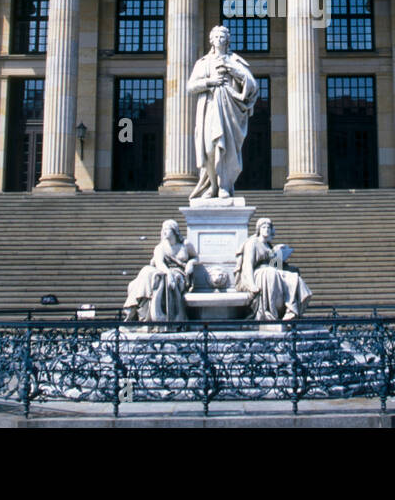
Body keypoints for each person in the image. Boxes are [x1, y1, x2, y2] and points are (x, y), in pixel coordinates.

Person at [187, 25, 258, 200]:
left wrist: (231, 68)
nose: (219, 39)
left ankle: (225, 185)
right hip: (209, 108)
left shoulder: (234, 61)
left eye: (222, 36)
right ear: (211, 40)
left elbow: (252, 84)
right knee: (209, 149)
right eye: (216, 36)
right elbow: (190, 87)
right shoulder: (202, 63)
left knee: (226, 149)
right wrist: (210, 81)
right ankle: (212, 186)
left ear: (228, 39)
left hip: (229, 110)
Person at [236, 218, 311, 321]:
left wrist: (278, 253)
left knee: (294, 275)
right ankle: (271, 313)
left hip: (271, 271)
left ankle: (291, 312)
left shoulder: (269, 245)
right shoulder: (252, 243)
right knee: (271, 273)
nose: (266, 229)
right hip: (259, 274)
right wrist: (252, 285)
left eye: (268, 227)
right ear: (259, 230)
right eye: (263, 227)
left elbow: (275, 266)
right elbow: (247, 265)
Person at [123, 220, 197, 322]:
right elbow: (160, 264)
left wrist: (190, 263)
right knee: (147, 271)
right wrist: (169, 274)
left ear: (174, 230)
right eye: (163, 229)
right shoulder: (160, 247)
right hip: (165, 272)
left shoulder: (185, 244)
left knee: (161, 278)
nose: (164, 232)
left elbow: (196, 257)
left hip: (180, 274)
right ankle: (140, 310)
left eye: (167, 229)